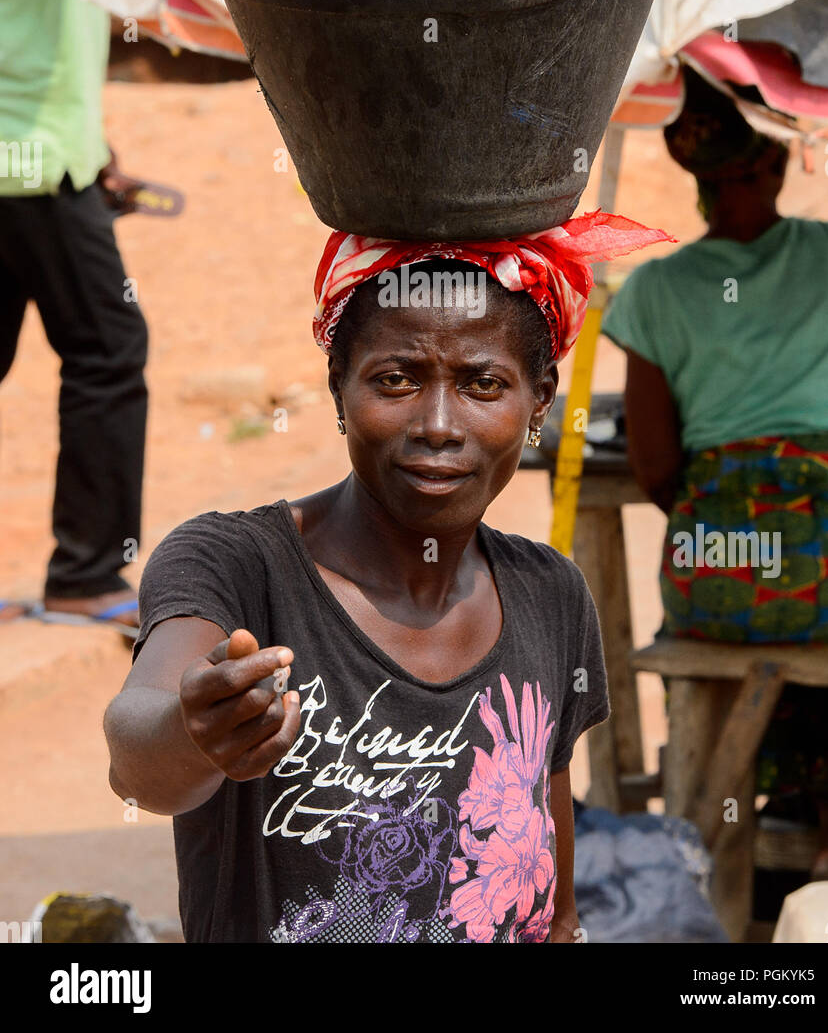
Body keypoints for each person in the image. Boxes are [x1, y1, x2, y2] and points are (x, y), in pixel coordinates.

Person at [104, 212, 667, 943]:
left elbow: (552, 904)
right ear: (338, 386)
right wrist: (193, 732)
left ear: (539, 400)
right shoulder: (235, 565)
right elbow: (137, 759)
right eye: (396, 379)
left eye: (482, 383)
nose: (437, 422)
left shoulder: (549, 592)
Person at [601, 65, 828, 878]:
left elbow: (654, 473)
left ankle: (751, 839)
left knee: (771, 622)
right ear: (779, 160)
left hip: (722, 583)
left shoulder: (651, 292)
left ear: (691, 174)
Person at [0, 0, 146, 630]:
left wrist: (98, 152)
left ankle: (85, 570)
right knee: (108, 346)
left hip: (49, 149)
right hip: (29, 155)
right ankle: (88, 573)